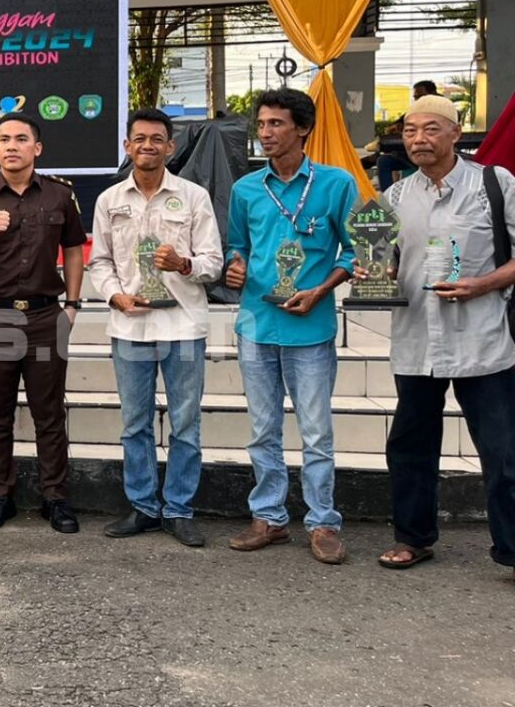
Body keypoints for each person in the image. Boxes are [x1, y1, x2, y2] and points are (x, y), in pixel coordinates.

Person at [371, 94, 515, 575]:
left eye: (431, 129)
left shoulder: (493, 185)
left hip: (482, 340)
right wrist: (372, 273)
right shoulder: (393, 197)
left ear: (456, 133)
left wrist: (484, 283)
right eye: (410, 131)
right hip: (416, 342)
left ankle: (511, 549)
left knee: (503, 451)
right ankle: (413, 539)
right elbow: (384, 263)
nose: (418, 140)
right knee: (410, 448)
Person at [224, 87, 357, 565]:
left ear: (303, 128)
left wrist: (322, 289)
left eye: (276, 124)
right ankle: (270, 518)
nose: (265, 133)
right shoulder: (245, 189)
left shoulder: (336, 184)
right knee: (262, 428)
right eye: (261, 125)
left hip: (312, 327)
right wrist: (233, 266)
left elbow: (355, 251)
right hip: (256, 325)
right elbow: (236, 246)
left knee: (317, 431)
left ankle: (322, 522)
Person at [86, 109, 223, 548]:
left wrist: (182, 264)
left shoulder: (194, 196)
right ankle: (144, 506)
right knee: (135, 424)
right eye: (139, 138)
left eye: (157, 139)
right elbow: (100, 261)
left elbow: (213, 263)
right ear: (127, 146)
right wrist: (114, 296)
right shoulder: (109, 201)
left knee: (185, 423)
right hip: (129, 326)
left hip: (183, 326)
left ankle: (179, 509)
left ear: (171, 147)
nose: (148, 146)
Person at [0, 115, 87, 534]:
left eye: (21, 139)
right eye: (4, 140)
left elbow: (74, 249)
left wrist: (73, 304)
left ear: (37, 148)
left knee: (49, 413)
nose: (12, 146)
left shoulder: (60, 195)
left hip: (46, 317)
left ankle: (55, 498)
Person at [376, 80, 441, 190]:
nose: (417, 100)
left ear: (433, 94)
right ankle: (388, 199)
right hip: (414, 154)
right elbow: (389, 129)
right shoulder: (414, 111)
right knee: (383, 161)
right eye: (415, 97)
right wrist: (396, 128)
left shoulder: (445, 110)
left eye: (421, 96)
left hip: (437, 155)